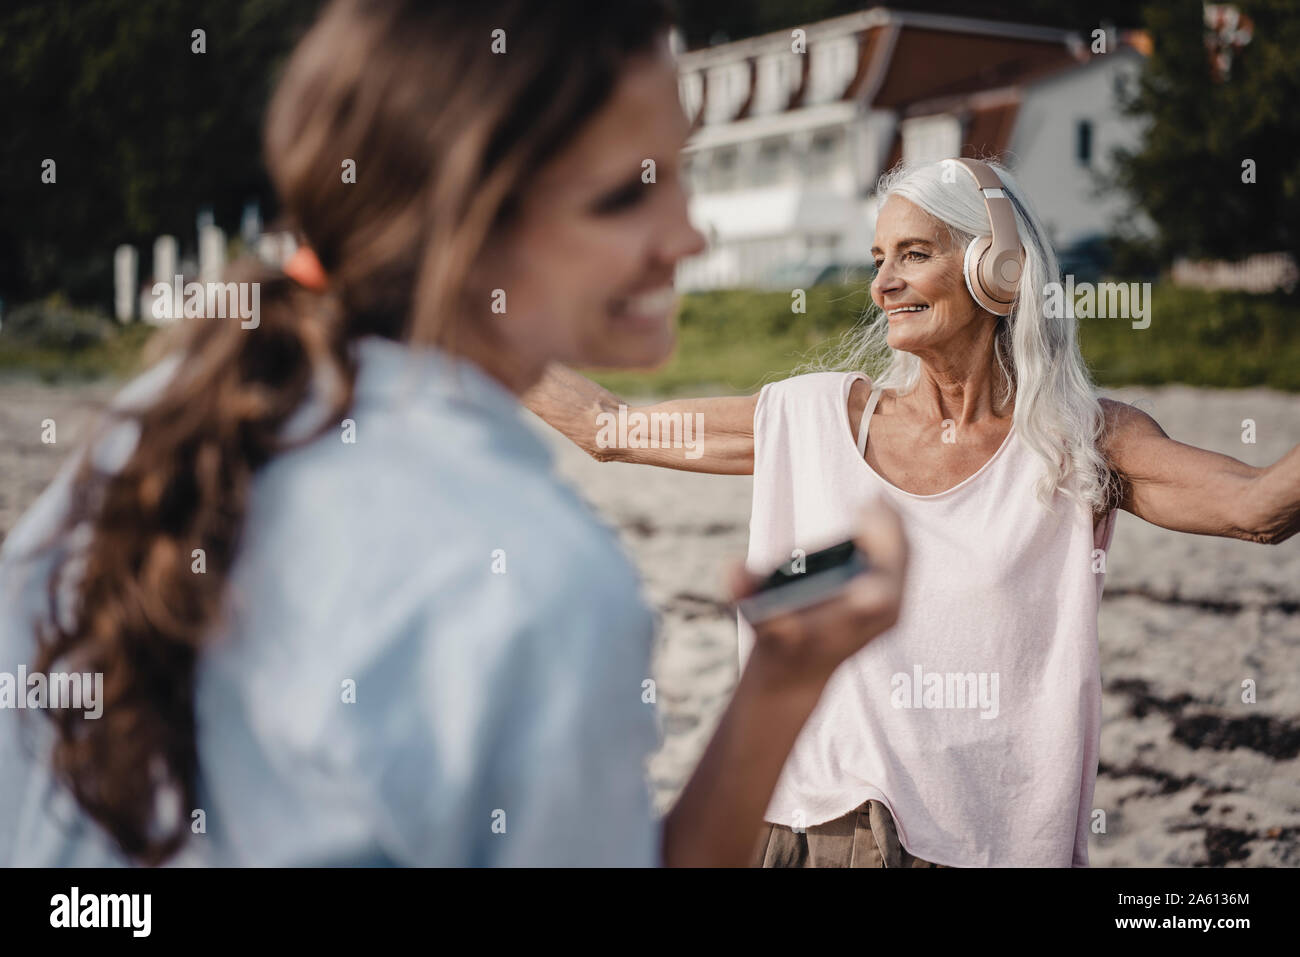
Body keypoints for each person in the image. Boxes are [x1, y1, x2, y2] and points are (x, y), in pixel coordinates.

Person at [0, 0, 910, 867]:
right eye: (624, 196)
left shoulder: (172, 417)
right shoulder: (532, 577)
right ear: (469, 223)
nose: (690, 236)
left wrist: (778, 681)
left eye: (679, 170)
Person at [525, 157, 1300, 867]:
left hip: (993, 847)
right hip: (818, 835)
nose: (882, 283)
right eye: (877, 260)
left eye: (914, 254)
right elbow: (611, 429)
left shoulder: (1083, 443)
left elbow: (1256, 508)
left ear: (995, 268)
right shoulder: (814, 417)